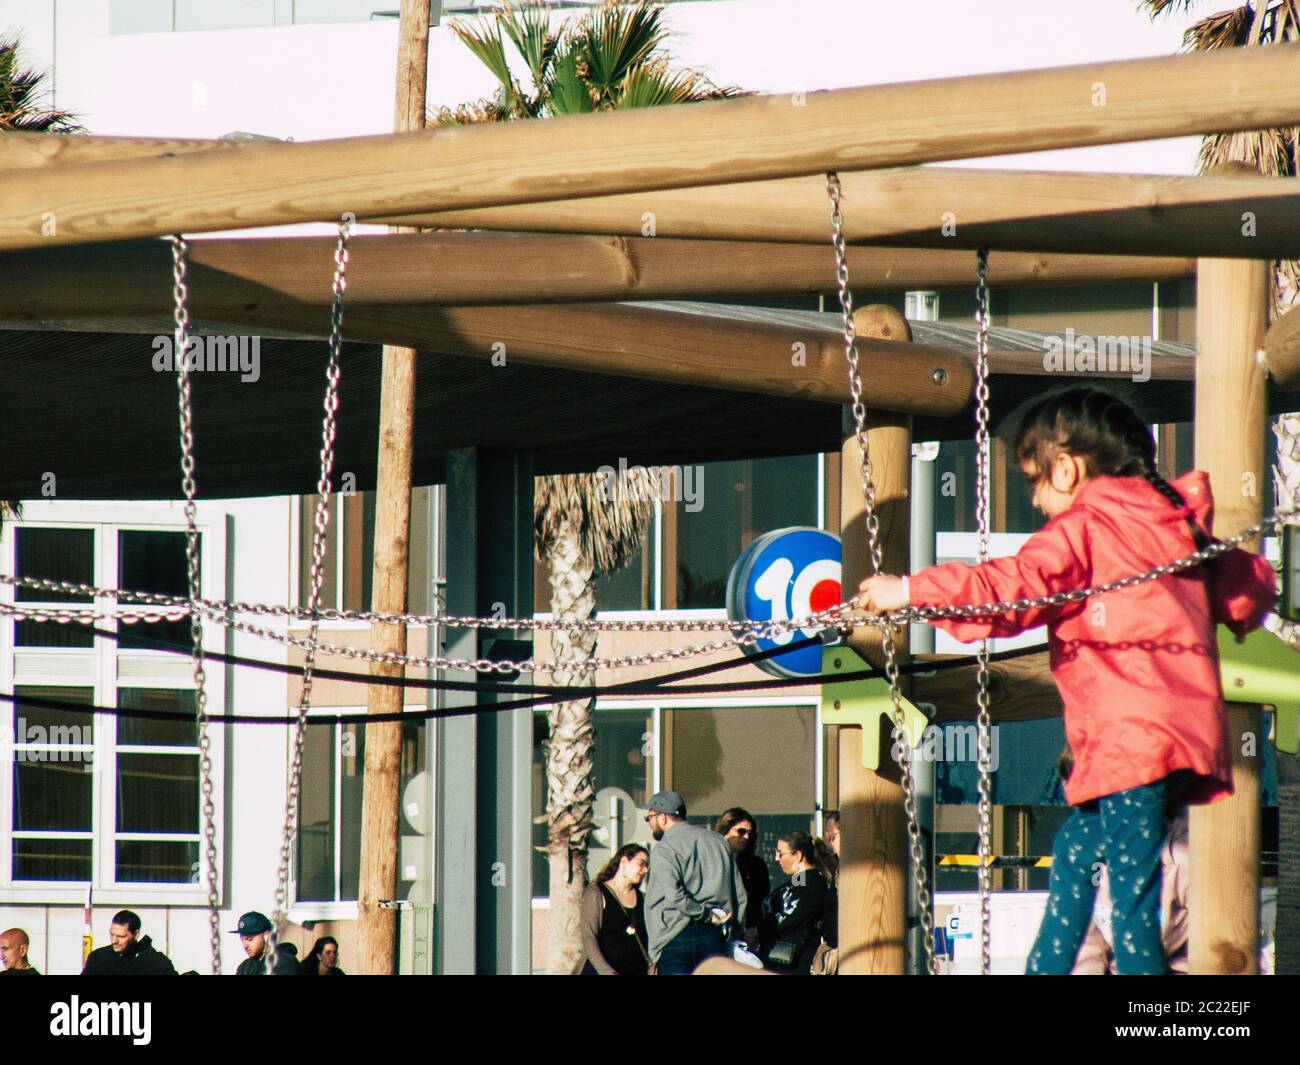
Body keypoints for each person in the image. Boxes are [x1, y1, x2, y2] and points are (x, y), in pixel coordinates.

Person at [858, 387, 1277, 976]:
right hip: (1175, 738)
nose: (1032, 498)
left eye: (1032, 480)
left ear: (1067, 467)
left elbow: (1015, 587)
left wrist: (910, 591)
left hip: (1130, 739)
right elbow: (1245, 591)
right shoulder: (1173, 527)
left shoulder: (1087, 527)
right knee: (1076, 852)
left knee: (1132, 896)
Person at [643, 790, 746, 976]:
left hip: (674, 934)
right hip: (715, 934)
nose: (650, 823)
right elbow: (739, 894)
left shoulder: (664, 848)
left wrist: (704, 914)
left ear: (662, 817)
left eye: (649, 817)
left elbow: (675, 895)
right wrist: (733, 931)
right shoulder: (719, 842)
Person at [758, 830, 832, 974]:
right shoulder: (800, 880)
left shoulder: (812, 882)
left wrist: (759, 929)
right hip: (780, 959)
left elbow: (792, 914)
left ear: (797, 855)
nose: (776, 858)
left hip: (795, 962)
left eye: (780, 853)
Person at [581, 843, 653, 975]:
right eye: (641, 864)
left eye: (647, 866)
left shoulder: (643, 899)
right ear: (624, 862)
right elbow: (589, 938)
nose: (645, 870)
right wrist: (607, 972)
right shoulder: (596, 893)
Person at [714, 807, 769, 938]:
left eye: (750, 833)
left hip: (745, 930)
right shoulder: (711, 861)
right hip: (716, 925)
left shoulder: (756, 865)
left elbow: (759, 901)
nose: (746, 836)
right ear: (725, 831)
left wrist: (754, 928)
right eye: (741, 831)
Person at [81, 910, 177, 975]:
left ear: (136, 934)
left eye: (121, 936)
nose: (114, 941)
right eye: (112, 934)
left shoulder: (155, 962)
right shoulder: (98, 958)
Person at [231, 912, 300, 975]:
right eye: (242, 940)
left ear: (266, 935)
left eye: (250, 939)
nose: (244, 946)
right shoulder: (245, 967)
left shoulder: (285, 963)